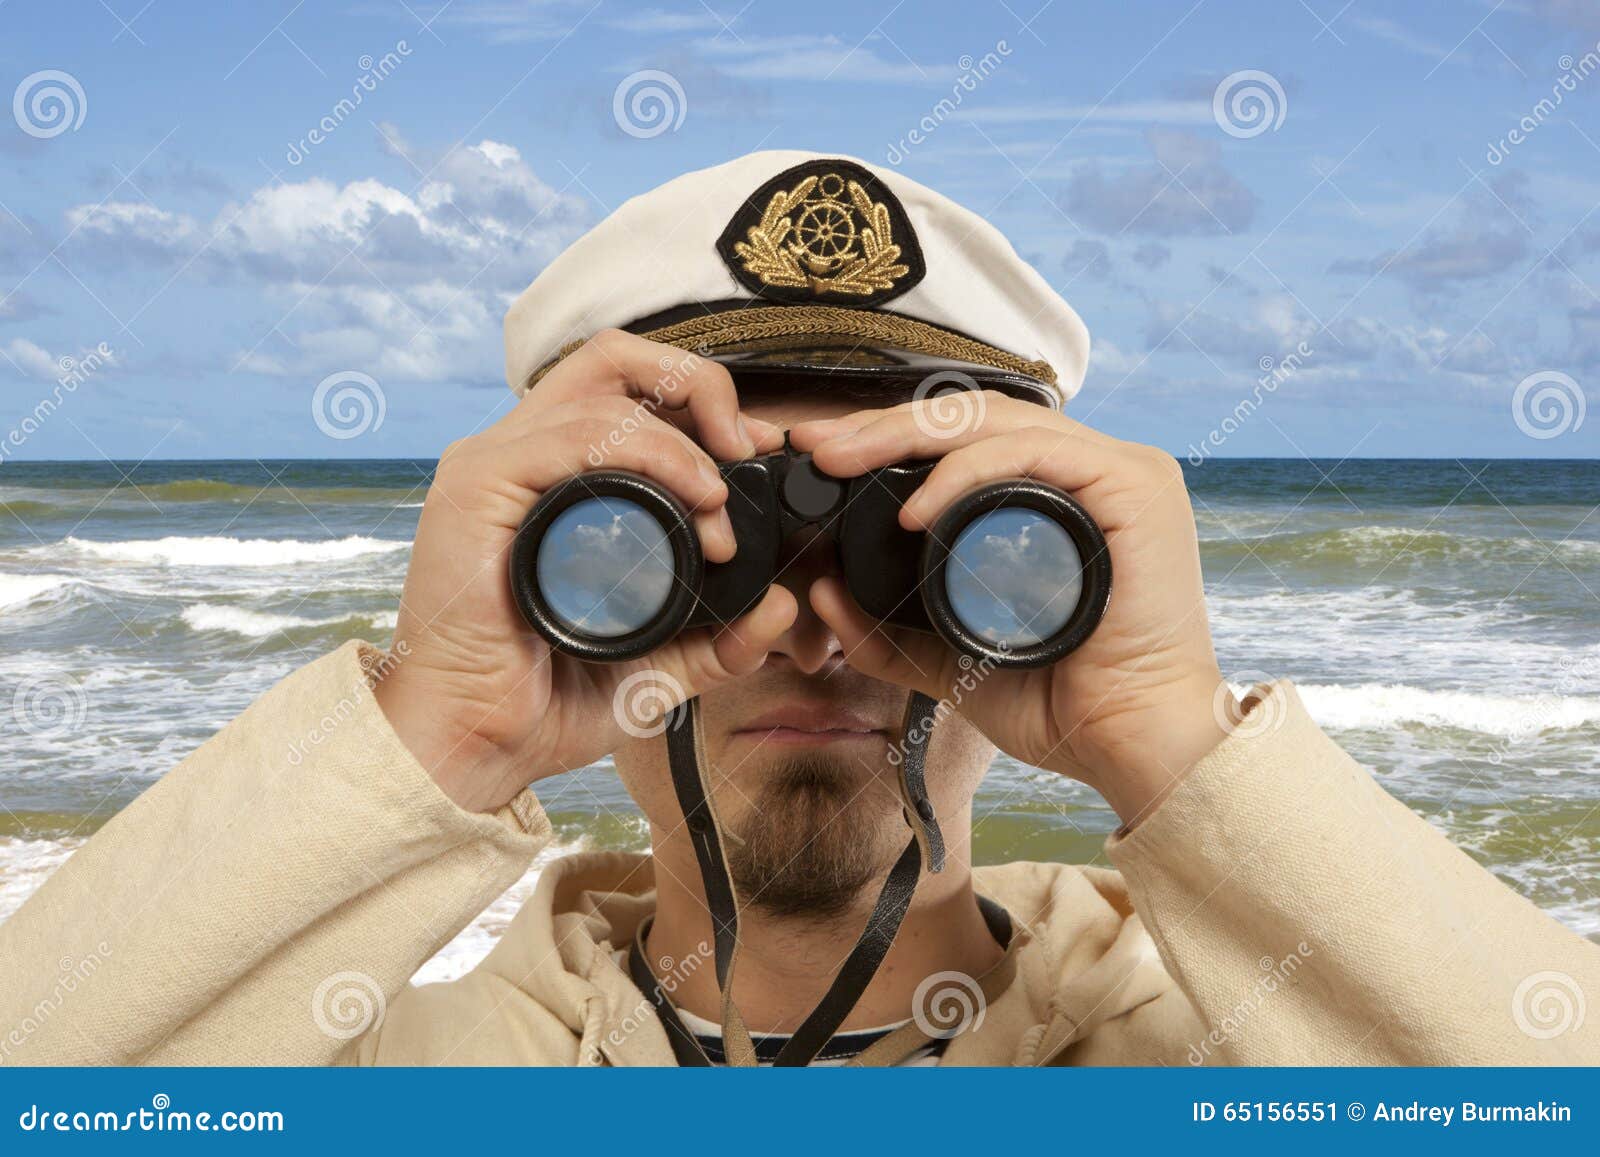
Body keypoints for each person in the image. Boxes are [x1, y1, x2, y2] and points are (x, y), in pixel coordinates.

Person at [2, 152, 1596, 1067]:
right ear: (567, 581)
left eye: (924, 545)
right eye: (701, 536)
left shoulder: (1225, 1064)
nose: (813, 624)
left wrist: (1173, 744)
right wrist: (442, 727)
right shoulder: (383, 1070)